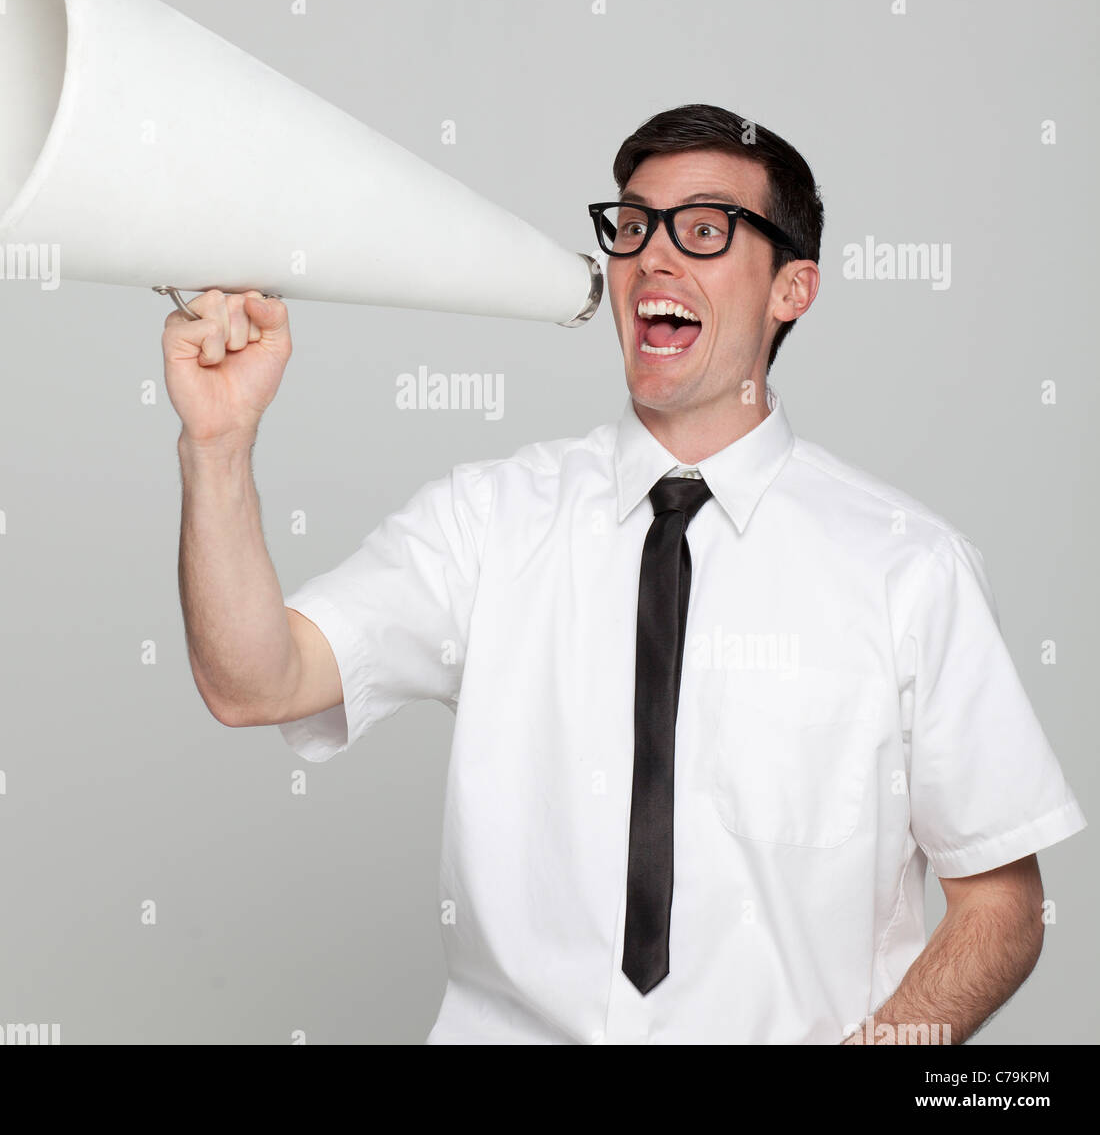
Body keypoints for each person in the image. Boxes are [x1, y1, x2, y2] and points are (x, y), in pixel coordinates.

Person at [163, 103, 1085, 1045]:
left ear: (792, 289)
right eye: (634, 225)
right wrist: (219, 444)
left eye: (705, 230)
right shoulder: (489, 521)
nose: (653, 258)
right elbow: (254, 681)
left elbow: (1002, 909)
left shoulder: (907, 569)